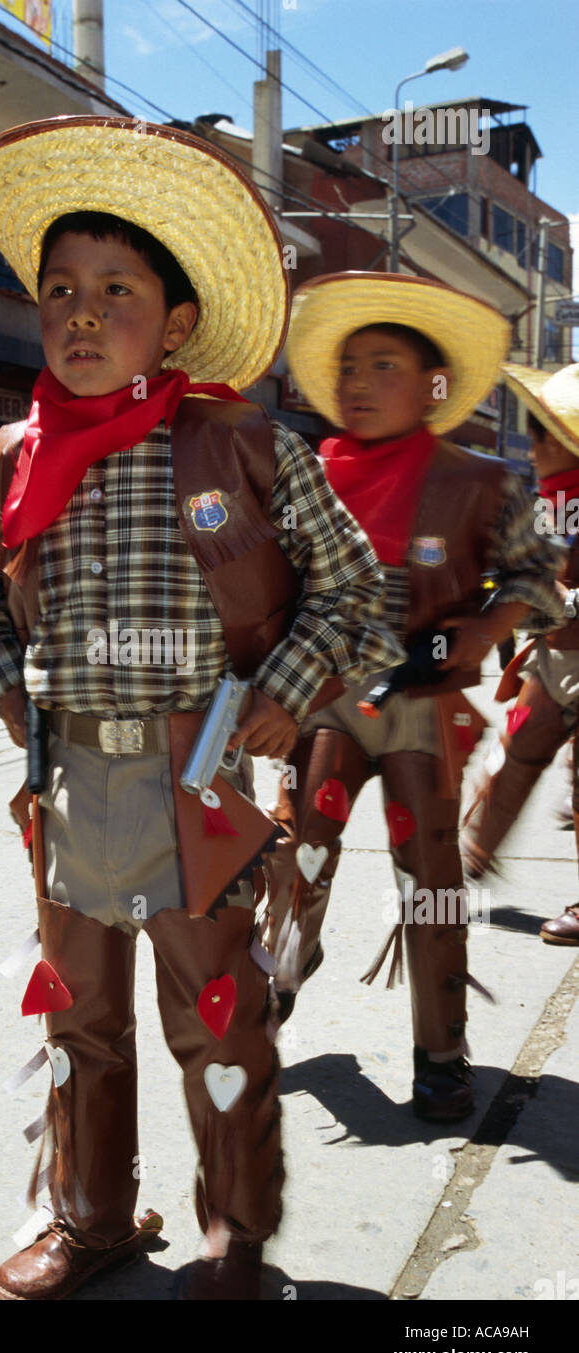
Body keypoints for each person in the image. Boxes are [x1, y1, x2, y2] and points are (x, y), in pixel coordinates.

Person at [0, 116, 400, 1301]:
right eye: (60, 292)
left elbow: (356, 588)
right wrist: (10, 690)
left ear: (181, 322)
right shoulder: (6, 462)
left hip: (195, 778)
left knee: (216, 1017)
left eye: (117, 291)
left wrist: (281, 697)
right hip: (65, 791)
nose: (83, 316)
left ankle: (234, 1239)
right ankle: (93, 1218)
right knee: (77, 1018)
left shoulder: (239, 448)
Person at [270, 272, 562, 1123]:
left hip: (423, 707)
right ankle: (281, 971)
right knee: (300, 854)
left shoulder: (482, 481)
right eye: (347, 367)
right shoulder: (304, 472)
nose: (356, 382)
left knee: (429, 877)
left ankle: (441, 1053)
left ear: (434, 386)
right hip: (321, 701)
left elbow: (537, 578)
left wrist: (481, 630)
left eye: (383, 364)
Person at [462, 363, 579, 944]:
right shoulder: (544, 501)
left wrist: (564, 599)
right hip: (551, 661)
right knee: (515, 757)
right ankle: (474, 857)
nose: (532, 449)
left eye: (540, 436)